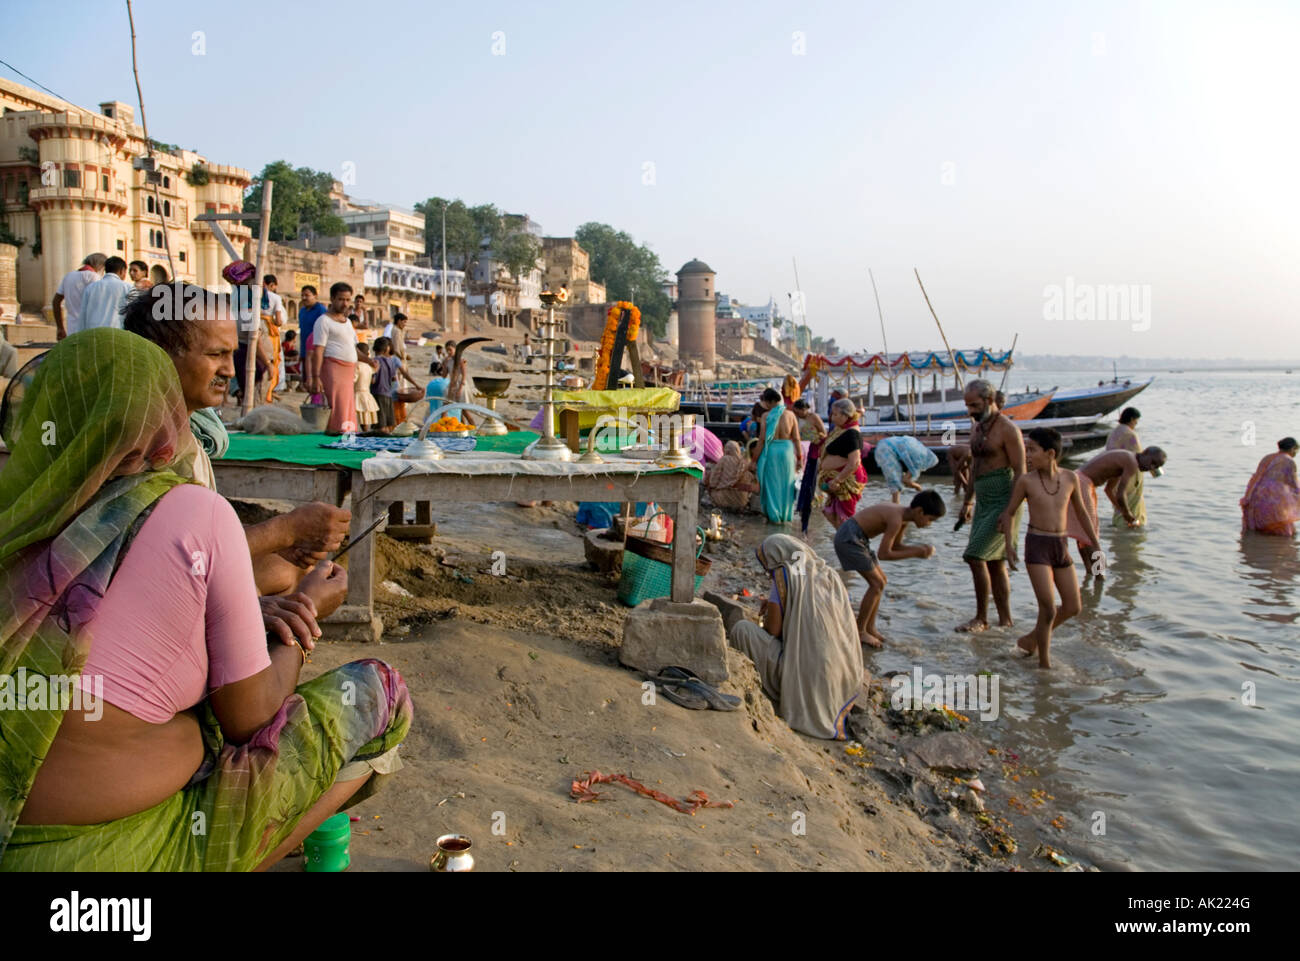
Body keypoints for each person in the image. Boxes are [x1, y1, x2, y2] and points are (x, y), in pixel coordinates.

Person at [0, 328, 412, 871]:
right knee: (380, 693)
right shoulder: (192, 509)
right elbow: (254, 717)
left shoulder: (22, 506)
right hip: (115, 850)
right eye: (214, 354)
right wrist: (307, 612)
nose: (225, 366)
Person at [121, 284, 353, 604]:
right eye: (216, 354)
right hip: (151, 599)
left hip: (184, 579)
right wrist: (285, 529)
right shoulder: (144, 439)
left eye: (231, 354)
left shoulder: (189, 431)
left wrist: (282, 544)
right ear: (162, 354)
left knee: (286, 570)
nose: (230, 370)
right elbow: (175, 558)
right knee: (287, 585)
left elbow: (201, 531)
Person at [728, 534, 864, 740]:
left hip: (808, 680)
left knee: (742, 630)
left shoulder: (784, 575)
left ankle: (778, 696)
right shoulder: (829, 576)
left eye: (767, 568)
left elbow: (774, 631)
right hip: (845, 679)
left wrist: (772, 610)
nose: (768, 574)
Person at [998, 427, 1102, 668]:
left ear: (1051, 453)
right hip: (1037, 546)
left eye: (1032, 450)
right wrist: (1009, 546)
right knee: (1047, 607)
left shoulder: (1070, 478)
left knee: (1073, 606)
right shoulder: (1026, 481)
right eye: (1027, 450)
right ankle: (1044, 664)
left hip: (1060, 545)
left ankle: (1032, 639)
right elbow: (1010, 512)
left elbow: (1082, 513)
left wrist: (1095, 542)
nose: (1028, 455)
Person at [956, 378, 1026, 633]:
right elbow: (974, 467)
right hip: (983, 499)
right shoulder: (977, 428)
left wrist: (1010, 511)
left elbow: (1021, 472)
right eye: (967, 406)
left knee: (975, 555)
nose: (970, 411)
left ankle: (981, 618)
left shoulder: (1008, 429)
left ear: (989, 401)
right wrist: (967, 500)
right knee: (995, 562)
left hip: (1004, 497)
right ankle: (1005, 620)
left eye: (974, 405)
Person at [834, 490, 945, 648]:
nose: (929, 524)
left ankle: (870, 627)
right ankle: (859, 631)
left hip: (858, 538)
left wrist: (919, 549)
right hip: (849, 538)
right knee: (876, 584)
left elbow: (897, 546)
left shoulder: (903, 518)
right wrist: (917, 552)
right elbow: (884, 554)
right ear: (920, 511)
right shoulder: (896, 519)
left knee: (882, 581)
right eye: (930, 519)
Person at [1073, 446, 1166, 543]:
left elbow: (1109, 490)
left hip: (1078, 480)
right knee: (1090, 532)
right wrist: (1128, 515)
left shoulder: (1125, 460)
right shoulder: (1132, 463)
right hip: (1082, 483)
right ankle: (1089, 557)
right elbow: (1121, 495)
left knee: (1085, 529)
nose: (1151, 467)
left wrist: (1121, 511)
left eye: (1156, 467)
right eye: (1152, 462)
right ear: (1145, 452)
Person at [309, 282, 360, 434]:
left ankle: (348, 434)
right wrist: (316, 376)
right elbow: (318, 350)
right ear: (332, 299)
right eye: (341, 299)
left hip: (349, 370)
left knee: (348, 405)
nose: (345, 303)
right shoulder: (323, 321)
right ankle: (337, 435)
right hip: (333, 368)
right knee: (338, 405)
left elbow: (354, 347)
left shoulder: (348, 322)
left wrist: (370, 361)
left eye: (347, 300)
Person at [816, 397, 867, 528]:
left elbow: (854, 462)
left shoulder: (852, 434)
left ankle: (851, 543)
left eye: (836, 414)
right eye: (832, 413)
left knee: (844, 519)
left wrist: (838, 480)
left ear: (846, 415)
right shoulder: (841, 429)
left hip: (845, 482)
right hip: (835, 482)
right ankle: (842, 541)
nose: (832, 418)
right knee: (830, 513)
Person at [754, 387, 802, 523]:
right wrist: (799, 459)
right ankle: (786, 516)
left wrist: (753, 460)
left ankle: (774, 516)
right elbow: (797, 439)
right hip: (787, 451)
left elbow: (762, 440)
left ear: (769, 402)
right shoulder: (791, 415)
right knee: (786, 484)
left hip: (771, 451)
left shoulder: (766, 416)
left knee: (771, 484)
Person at [1241, 437, 1300, 535]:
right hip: (1275, 499)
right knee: (1281, 532)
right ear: (1293, 449)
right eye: (1296, 450)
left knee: (1259, 530)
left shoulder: (1267, 457)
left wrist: (1248, 497)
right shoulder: (1289, 461)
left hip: (1258, 495)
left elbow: (1256, 476)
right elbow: (1292, 482)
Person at [1105, 407, 1147, 527]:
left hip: (1114, 469)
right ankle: (1131, 524)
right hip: (1129, 472)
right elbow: (1140, 457)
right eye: (1136, 421)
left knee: (1119, 497)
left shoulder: (1113, 432)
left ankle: (1119, 523)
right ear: (1132, 419)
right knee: (1131, 501)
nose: (1136, 423)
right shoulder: (1130, 434)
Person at [792, 398, 828, 535]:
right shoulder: (796, 418)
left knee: (814, 478)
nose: (798, 414)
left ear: (804, 409)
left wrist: (819, 443)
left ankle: (815, 501)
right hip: (803, 448)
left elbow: (823, 433)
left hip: (814, 448)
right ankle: (804, 503)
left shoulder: (814, 417)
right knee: (804, 479)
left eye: (799, 412)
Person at [50, 253, 106, 339]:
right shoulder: (94, 277)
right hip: (90, 329)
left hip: (72, 329)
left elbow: (55, 302)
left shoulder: (68, 276)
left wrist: (60, 327)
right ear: (101, 266)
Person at [874, 435, 940, 503]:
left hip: (883, 445)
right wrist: (918, 487)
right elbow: (905, 480)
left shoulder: (917, 448)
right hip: (885, 450)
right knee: (894, 479)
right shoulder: (918, 460)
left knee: (895, 478)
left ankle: (894, 502)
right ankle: (895, 503)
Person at [78, 256, 132, 331]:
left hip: (93, 332)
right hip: (117, 333)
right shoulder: (128, 288)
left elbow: (83, 315)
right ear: (122, 271)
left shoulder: (90, 288)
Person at [705, 440, 759, 511]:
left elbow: (713, 481)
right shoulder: (743, 463)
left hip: (724, 499)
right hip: (742, 501)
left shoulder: (724, 459)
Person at [261, 275, 288, 401]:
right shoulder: (275, 298)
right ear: (271, 285)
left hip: (252, 329)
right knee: (271, 362)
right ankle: (268, 393)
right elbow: (278, 321)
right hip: (269, 332)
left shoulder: (251, 296)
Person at [354, 342, 379, 430]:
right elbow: (373, 379)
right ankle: (365, 434)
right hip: (367, 394)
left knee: (357, 418)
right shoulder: (368, 367)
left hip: (357, 394)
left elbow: (353, 379)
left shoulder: (357, 366)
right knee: (365, 419)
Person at [298, 284, 327, 355]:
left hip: (316, 353)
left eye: (307, 295)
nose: (304, 298)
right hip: (304, 351)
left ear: (315, 296)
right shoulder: (302, 311)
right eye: (302, 295)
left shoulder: (321, 310)